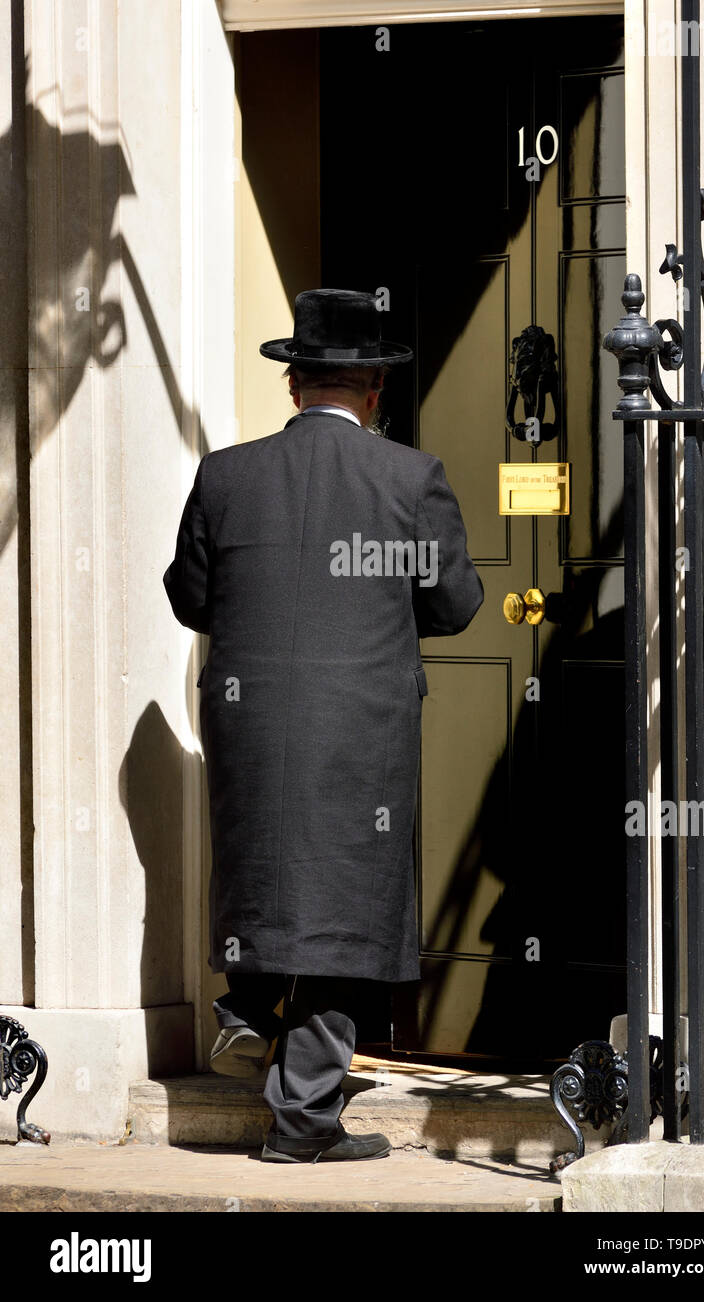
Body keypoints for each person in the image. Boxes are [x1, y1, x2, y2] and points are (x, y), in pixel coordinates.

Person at [163, 289, 483, 1163]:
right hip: (360, 728)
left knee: (268, 879)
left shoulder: (224, 474)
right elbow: (454, 604)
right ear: (374, 386)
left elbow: (189, 596)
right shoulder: (408, 478)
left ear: (294, 382)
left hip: (252, 723)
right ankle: (301, 1125)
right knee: (344, 913)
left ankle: (246, 1009)